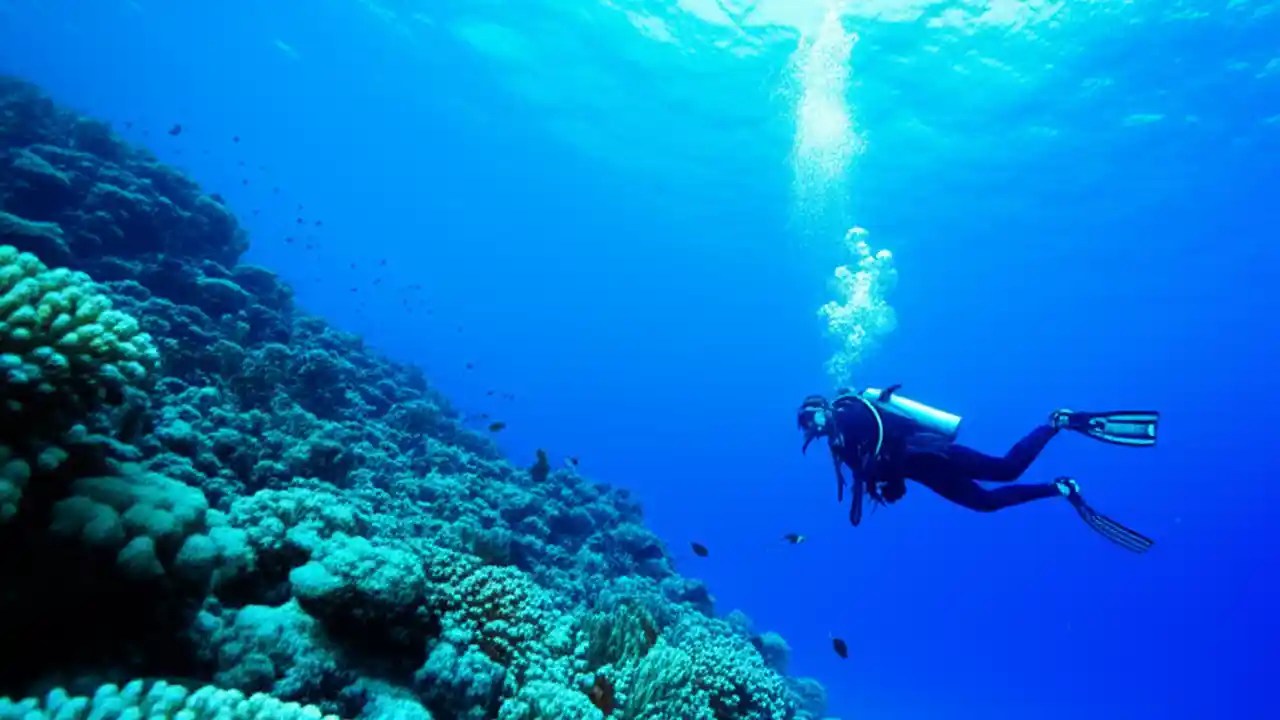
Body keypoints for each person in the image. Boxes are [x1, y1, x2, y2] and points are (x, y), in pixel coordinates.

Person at [796, 385, 1158, 553]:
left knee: (1006, 469)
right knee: (986, 504)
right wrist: (883, 483)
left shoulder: (852, 413)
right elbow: (866, 472)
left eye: (812, 417)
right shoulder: (838, 443)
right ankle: (1060, 487)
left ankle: (1056, 422)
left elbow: (892, 436)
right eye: (806, 425)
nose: (812, 426)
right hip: (924, 472)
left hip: (932, 454)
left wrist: (885, 470)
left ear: (824, 408)